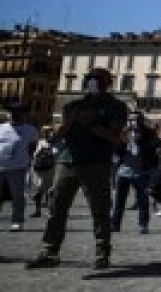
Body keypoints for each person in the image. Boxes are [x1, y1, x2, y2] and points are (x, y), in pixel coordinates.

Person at [26, 69, 127, 269]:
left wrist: (92, 124)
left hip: (96, 163)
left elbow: (115, 137)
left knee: (99, 210)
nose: (92, 82)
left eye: (97, 79)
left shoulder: (116, 107)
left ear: (107, 83)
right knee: (56, 208)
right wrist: (70, 121)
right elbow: (59, 135)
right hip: (67, 161)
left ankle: (102, 252)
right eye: (89, 78)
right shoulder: (73, 105)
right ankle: (49, 251)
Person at [110, 111, 161, 235]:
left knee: (143, 199)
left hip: (141, 171)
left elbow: (157, 146)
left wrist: (140, 141)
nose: (132, 122)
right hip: (124, 170)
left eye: (135, 120)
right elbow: (116, 149)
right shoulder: (123, 132)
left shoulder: (148, 133)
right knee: (119, 199)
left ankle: (143, 224)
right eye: (130, 120)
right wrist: (122, 141)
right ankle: (115, 224)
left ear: (141, 121)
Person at [1, 103, 40, 231]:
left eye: (18, 112)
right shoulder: (1, 127)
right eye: (12, 112)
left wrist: (27, 162)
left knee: (17, 196)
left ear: (24, 114)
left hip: (17, 167)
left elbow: (32, 148)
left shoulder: (30, 130)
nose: (14, 115)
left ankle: (17, 221)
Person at [28, 126, 57, 219]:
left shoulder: (55, 142)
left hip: (50, 169)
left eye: (49, 131)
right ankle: (38, 210)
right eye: (45, 131)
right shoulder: (38, 142)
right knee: (38, 190)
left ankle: (51, 210)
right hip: (39, 169)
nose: (47, 133)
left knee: (50, 190)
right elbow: (31, 153)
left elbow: (56, 154)